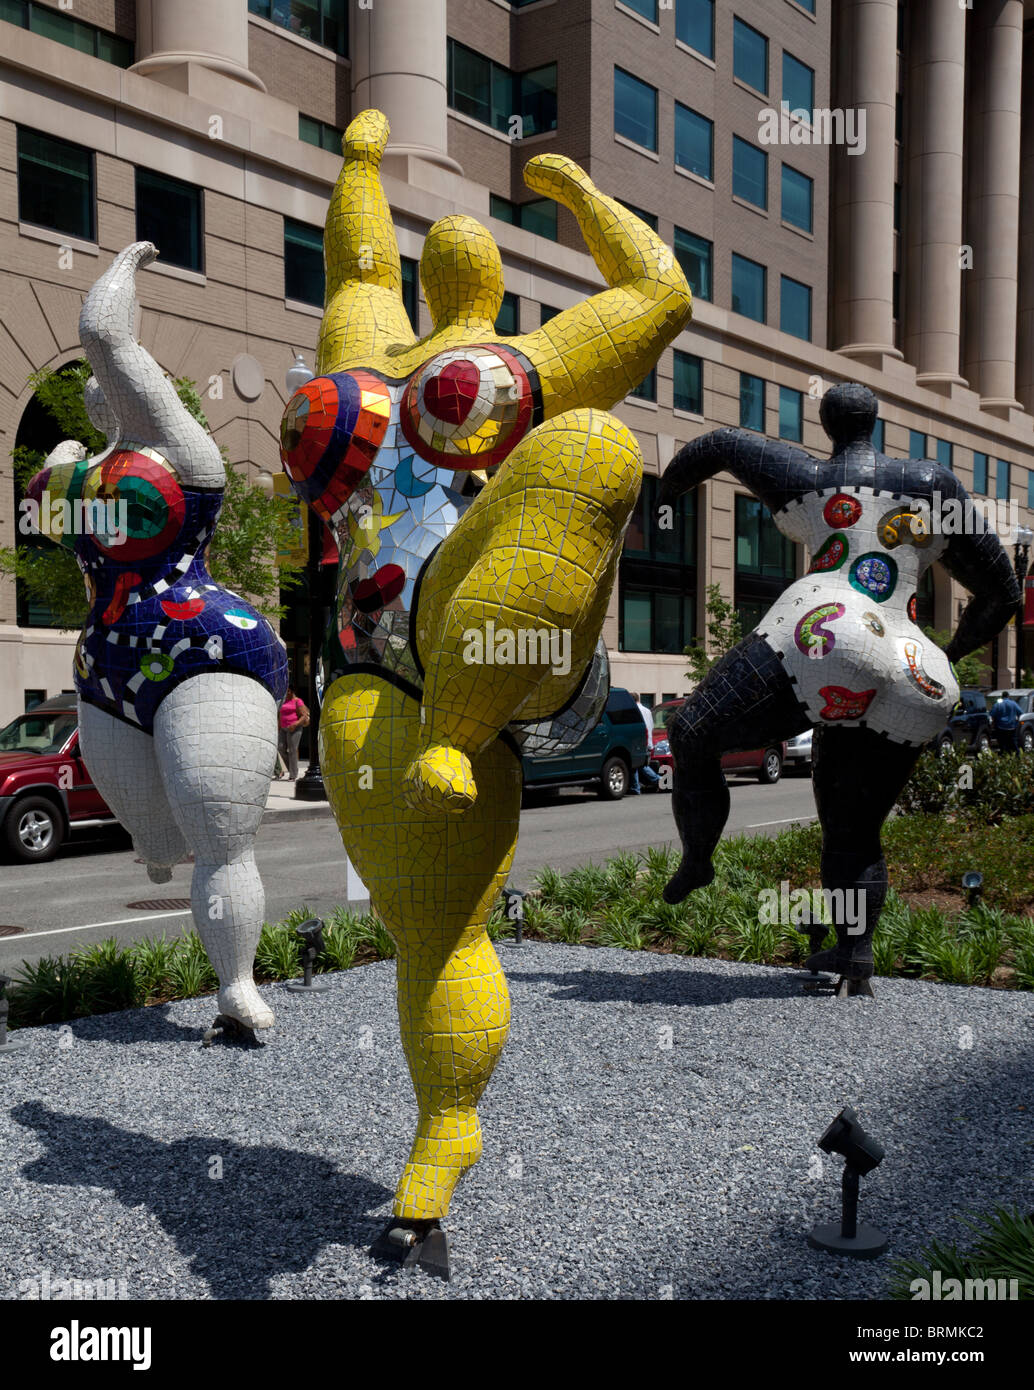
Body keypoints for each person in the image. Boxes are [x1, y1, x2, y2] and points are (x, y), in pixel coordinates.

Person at [657, 382, 1020, 991]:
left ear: (829, 424)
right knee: (854, 830)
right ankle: (854, 955)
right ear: (874, 423)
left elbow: (719, 445)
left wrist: (665, 498)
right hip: (917, 669)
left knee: (692, 730)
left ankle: (697, 861)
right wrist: (951, 653)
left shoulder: (810, 475)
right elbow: (1003, 592)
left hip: (826, 627)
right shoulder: (934, 483)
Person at [629, 692, 661, 794]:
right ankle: (658, 781)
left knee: (635, 765)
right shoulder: (647, 710)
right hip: (648, 742)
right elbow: (651, 726)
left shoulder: (634, 711)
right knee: (641, 765)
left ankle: (636, 787)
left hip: (639, 742)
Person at [278, 686, 308, 779]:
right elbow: (280, 714)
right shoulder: (283, 701)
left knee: (292, 750)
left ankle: (293, 775)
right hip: (283, 728)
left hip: (294, 728)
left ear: (291, 692)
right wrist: (278, 727)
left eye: (287, 691)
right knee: (280, 748)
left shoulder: (298, 701)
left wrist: (295, 724)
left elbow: (304, 716)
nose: (286, 693)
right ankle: (293, 769)